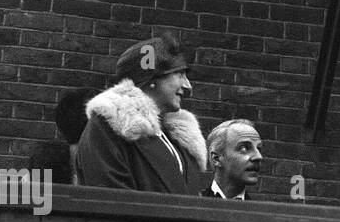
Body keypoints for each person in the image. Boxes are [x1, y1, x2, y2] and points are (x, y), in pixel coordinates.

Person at [75, 34, 208, 193]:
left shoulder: (175, 138)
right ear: (152, 78)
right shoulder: (107, 128)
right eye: (180, 74)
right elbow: (111, 201)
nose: (188, 86)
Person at [204, 119, 264, 200]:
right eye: (244, 148)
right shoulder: (192, 205)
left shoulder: (261, 211)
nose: (258, 156)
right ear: (216, 159)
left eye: (259, 149)